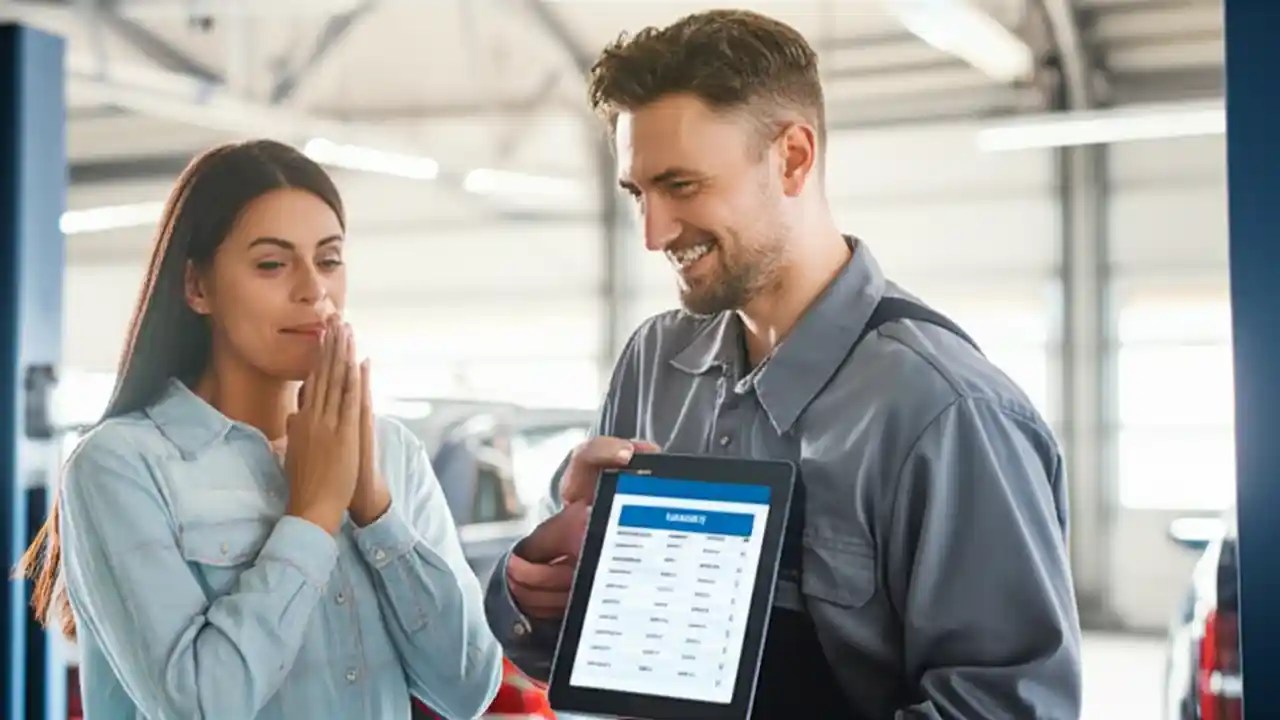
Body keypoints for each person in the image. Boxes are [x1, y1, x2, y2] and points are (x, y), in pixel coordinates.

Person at [484, 10, 1083, 719]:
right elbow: (607, 668)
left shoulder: (948, 414)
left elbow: (1005, 708)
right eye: (637, 193)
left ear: (793, 157)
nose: (652, 233)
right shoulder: (655, 364)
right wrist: (542, 591)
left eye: (681, 185)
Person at [18, 140, 502, 719]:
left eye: (328, 260)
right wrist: (313, 515)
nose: (313, 290)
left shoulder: (392, 451)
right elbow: (200, 707)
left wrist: (373, 508)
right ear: (197, 287)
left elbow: (469, 690)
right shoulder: (120, 465)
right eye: (272, 264)